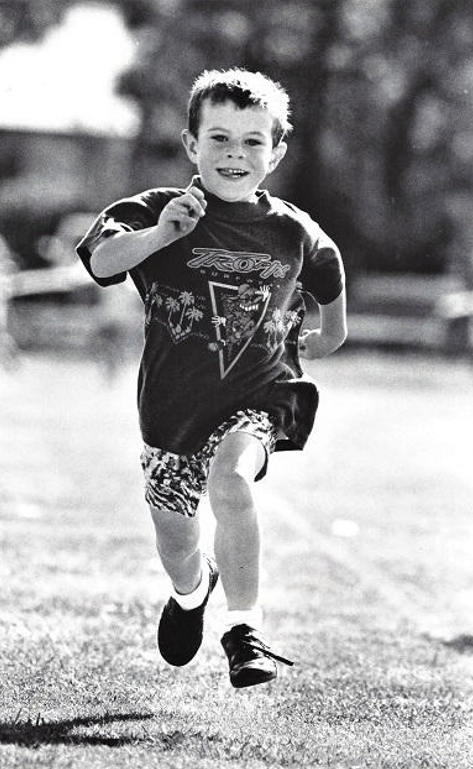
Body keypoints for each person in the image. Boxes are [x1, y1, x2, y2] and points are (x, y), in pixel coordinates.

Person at [76, 68, 347, 688]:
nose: (235, 153)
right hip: (171, 411)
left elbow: (334, 325)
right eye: (219, 138)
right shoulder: (150, 210)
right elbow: (100, 262)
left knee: (231, 480)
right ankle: (192, 590)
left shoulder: (299, 235)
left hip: (260, 398)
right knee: (175, 539)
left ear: (275, 153)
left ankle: (244, 632)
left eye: (253, 142)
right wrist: (162, 232)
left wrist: (308, 346)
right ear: (191, 145)